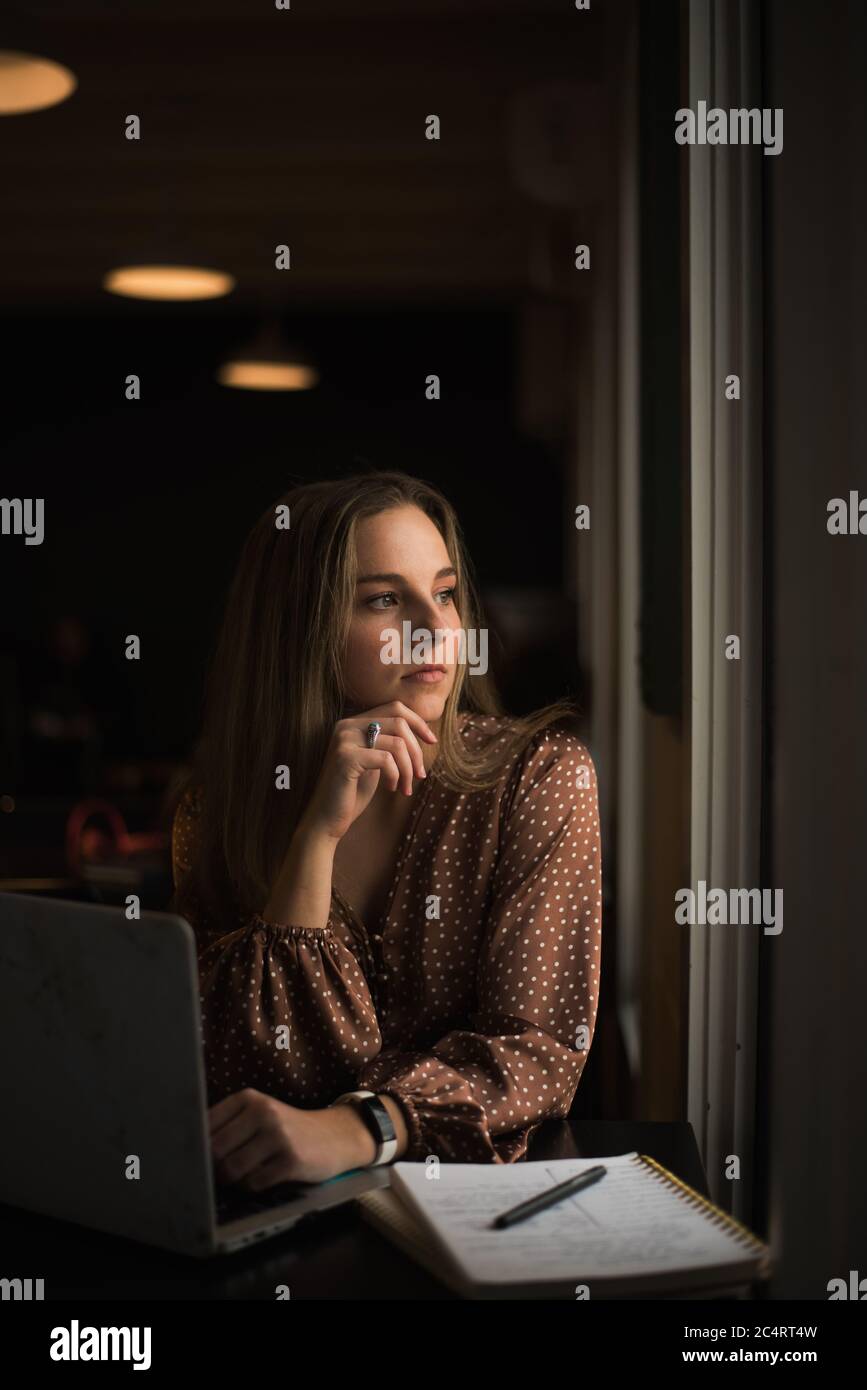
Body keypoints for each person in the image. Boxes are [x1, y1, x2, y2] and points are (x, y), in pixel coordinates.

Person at [171, 470, 601, 1193]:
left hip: (479, 1210)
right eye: (383, 600)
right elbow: (244, 1066)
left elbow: (536, 1051)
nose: (436, 632)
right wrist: (315, 835)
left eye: (443, 593)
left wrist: (359, 1128)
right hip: (277, 1209)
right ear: (296, 625)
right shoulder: (218, 814)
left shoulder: (539, 777)